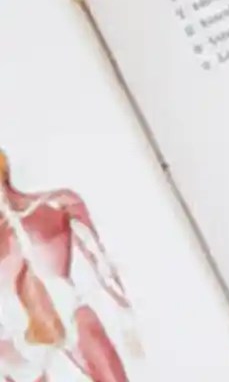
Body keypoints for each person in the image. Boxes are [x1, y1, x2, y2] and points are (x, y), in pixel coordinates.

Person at [0, 148, 142, 382]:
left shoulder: (58, 203)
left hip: (69, 310)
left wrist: (128, 317)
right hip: (18, 338)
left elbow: (101, 262)